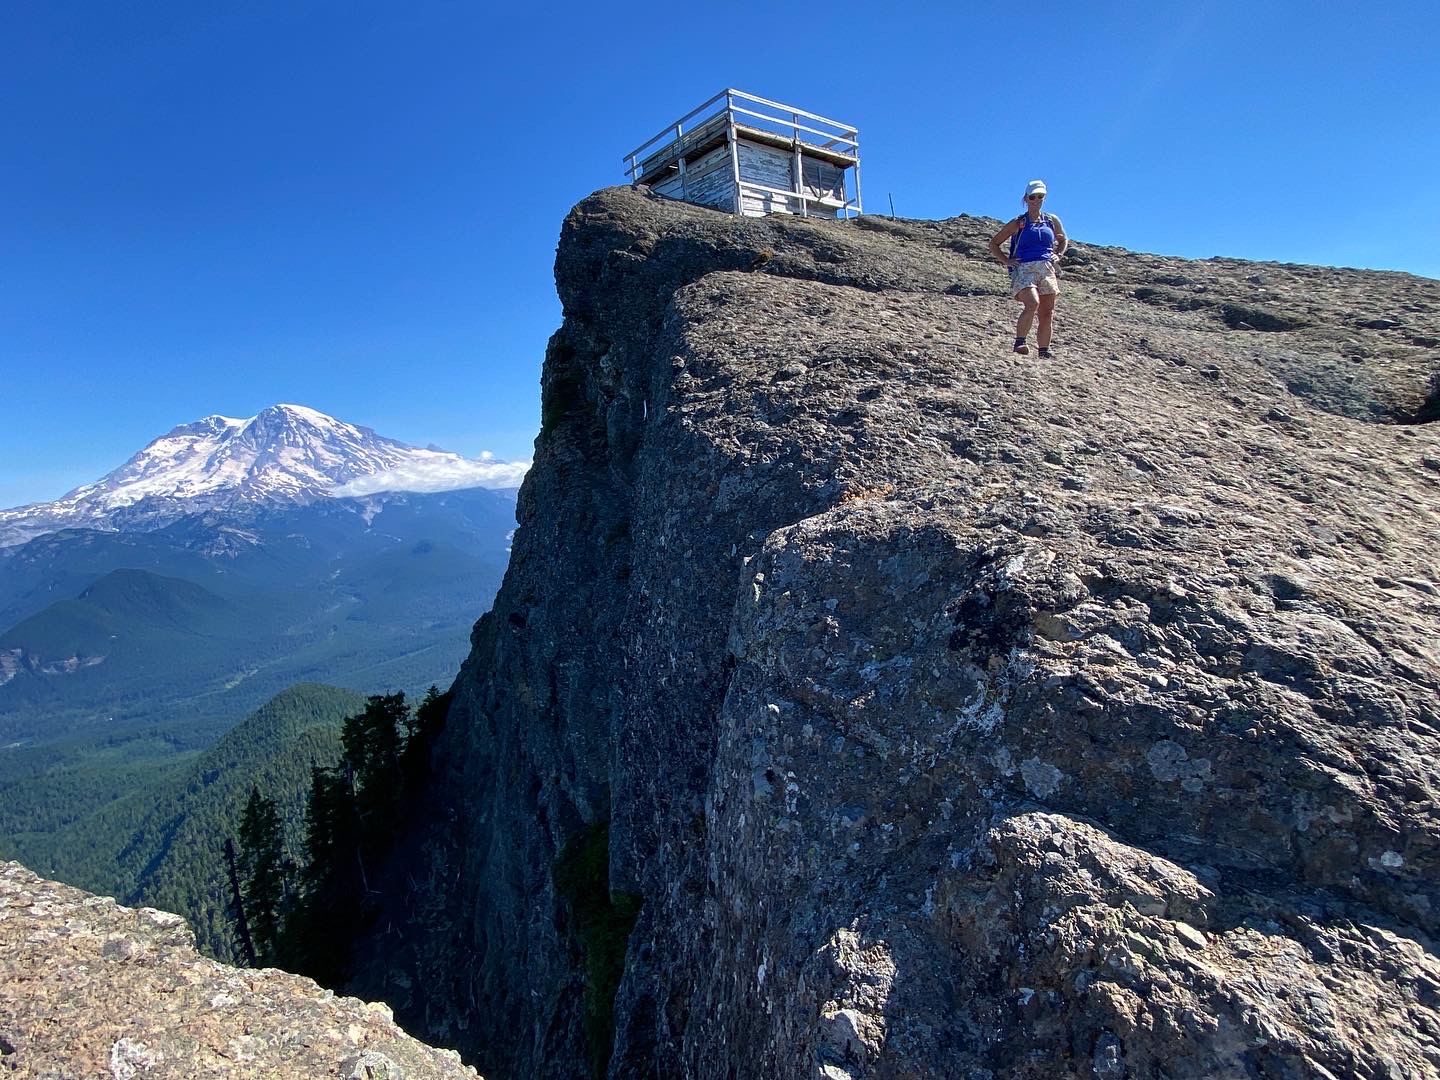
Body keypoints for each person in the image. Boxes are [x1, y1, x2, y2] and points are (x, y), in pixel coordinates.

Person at [988, 180, 1068, 358]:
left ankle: (1044, 351)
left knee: (1047, 312)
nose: (1036, 200)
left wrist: (1059, 254)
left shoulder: (1051, 220)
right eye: (1032, 197)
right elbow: (994, 243)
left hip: (1046, 268)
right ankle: (1020, 342)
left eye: (1040, 196)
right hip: (1024, 268)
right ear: (1026, 199)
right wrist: (1006, 261)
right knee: (1032, 302)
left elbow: (1063, 239)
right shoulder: (1019, 222)